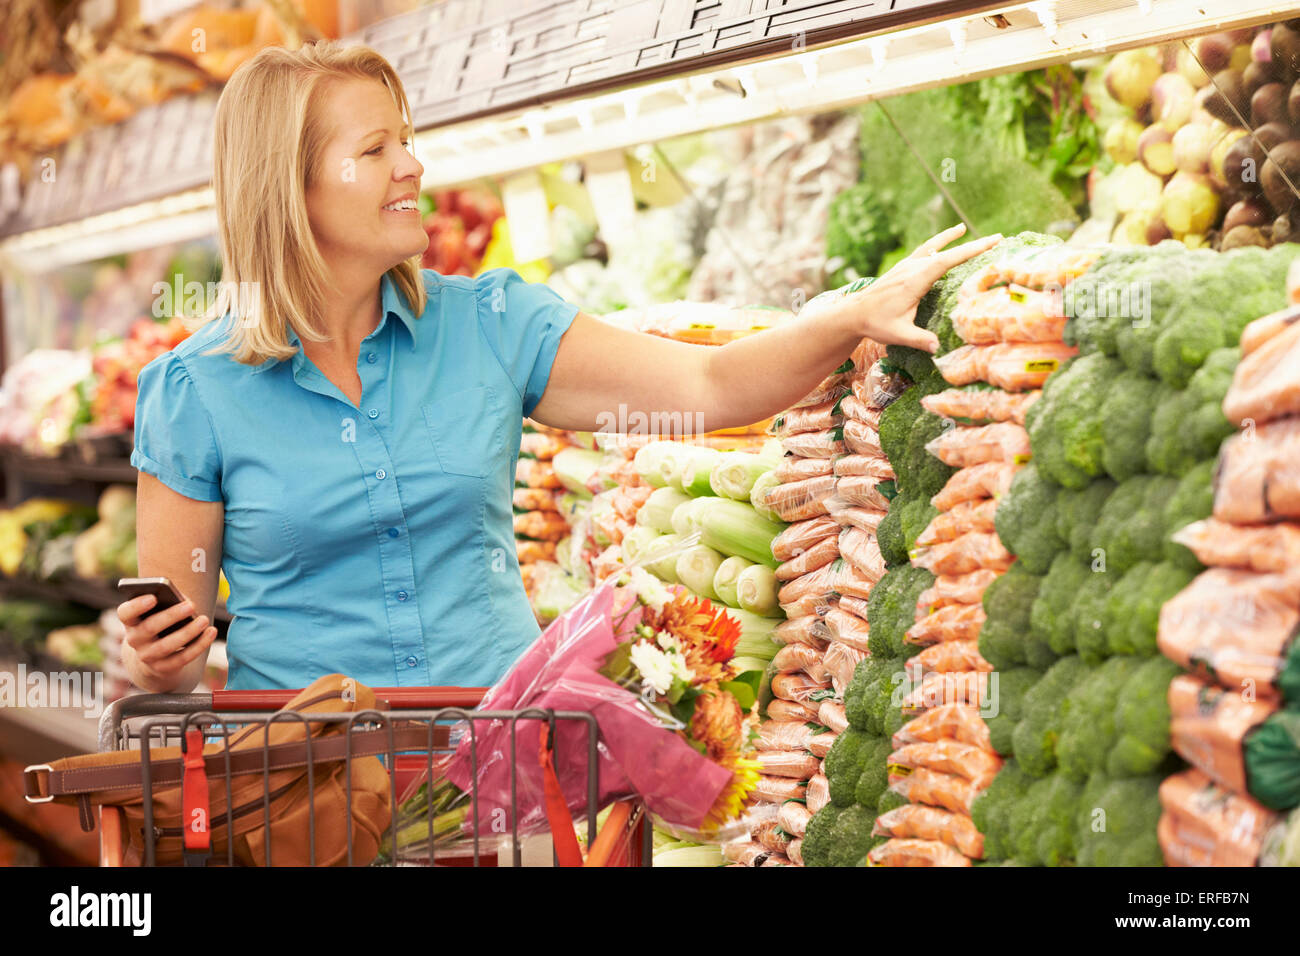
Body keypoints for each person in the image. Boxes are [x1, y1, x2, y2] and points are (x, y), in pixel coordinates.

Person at [118, 41, 1000, 694]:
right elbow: (173, 662)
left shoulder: (492, 326)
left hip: (500, 770)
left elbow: (708, 387)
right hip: (312, 800)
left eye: (408, 140)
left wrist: (846, 317)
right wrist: (161, 659)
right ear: (290, 186)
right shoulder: (196, 393)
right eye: (376, 149)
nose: (413, 166)